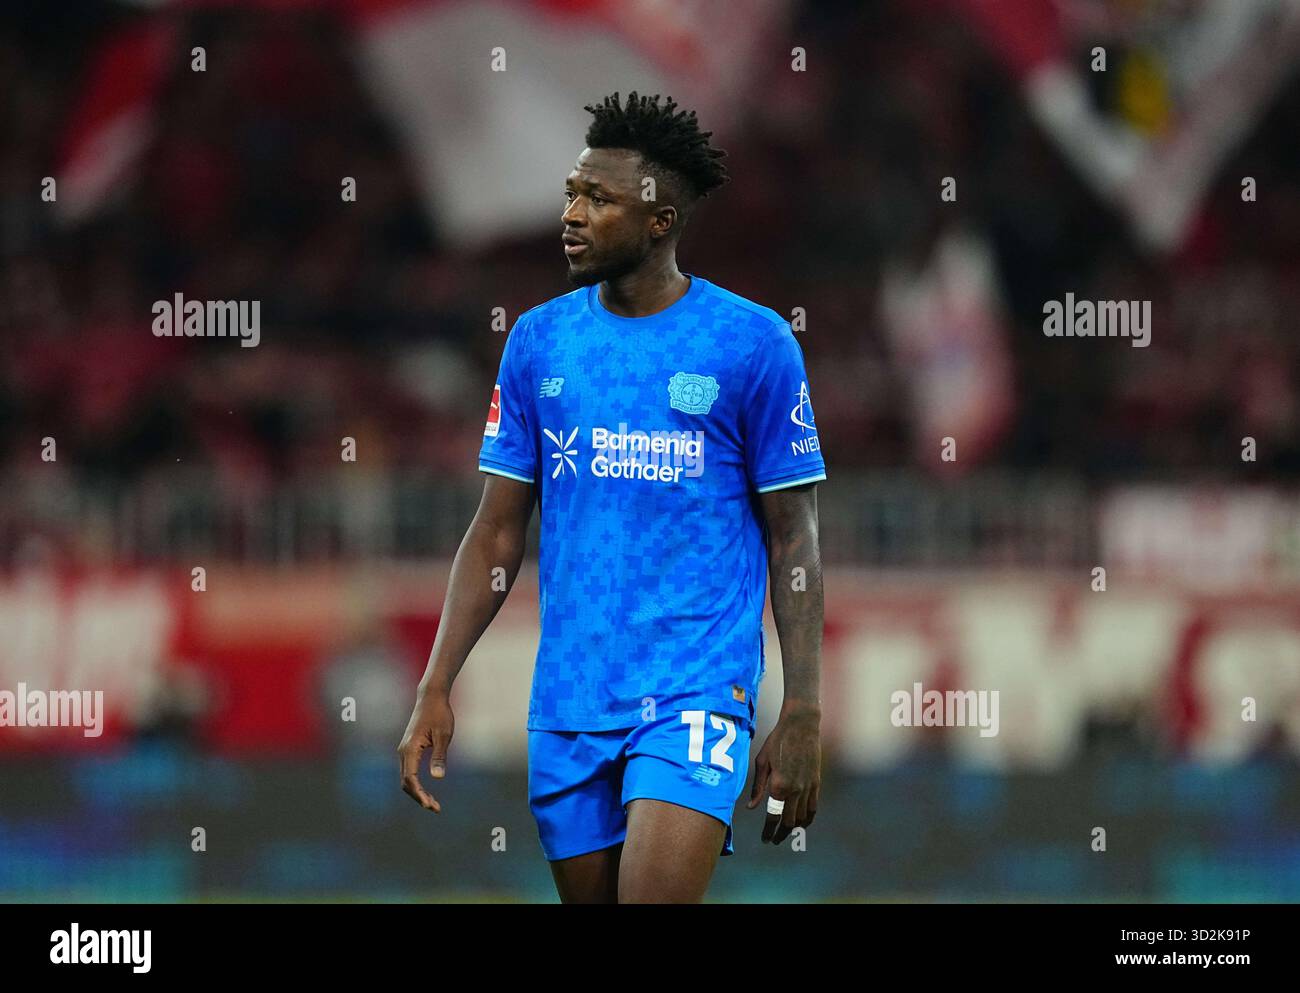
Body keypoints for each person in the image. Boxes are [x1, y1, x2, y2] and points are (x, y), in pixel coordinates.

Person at [398, 92, 826, 903]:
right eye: (571, 192)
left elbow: (795, 537)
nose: (571, 214)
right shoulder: (539, 341)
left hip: (695, 688)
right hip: (570, 697)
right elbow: (494, 533)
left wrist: (802, 705)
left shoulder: (753, 343)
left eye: (598, 199)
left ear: (660, 220)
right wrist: (436, 680)